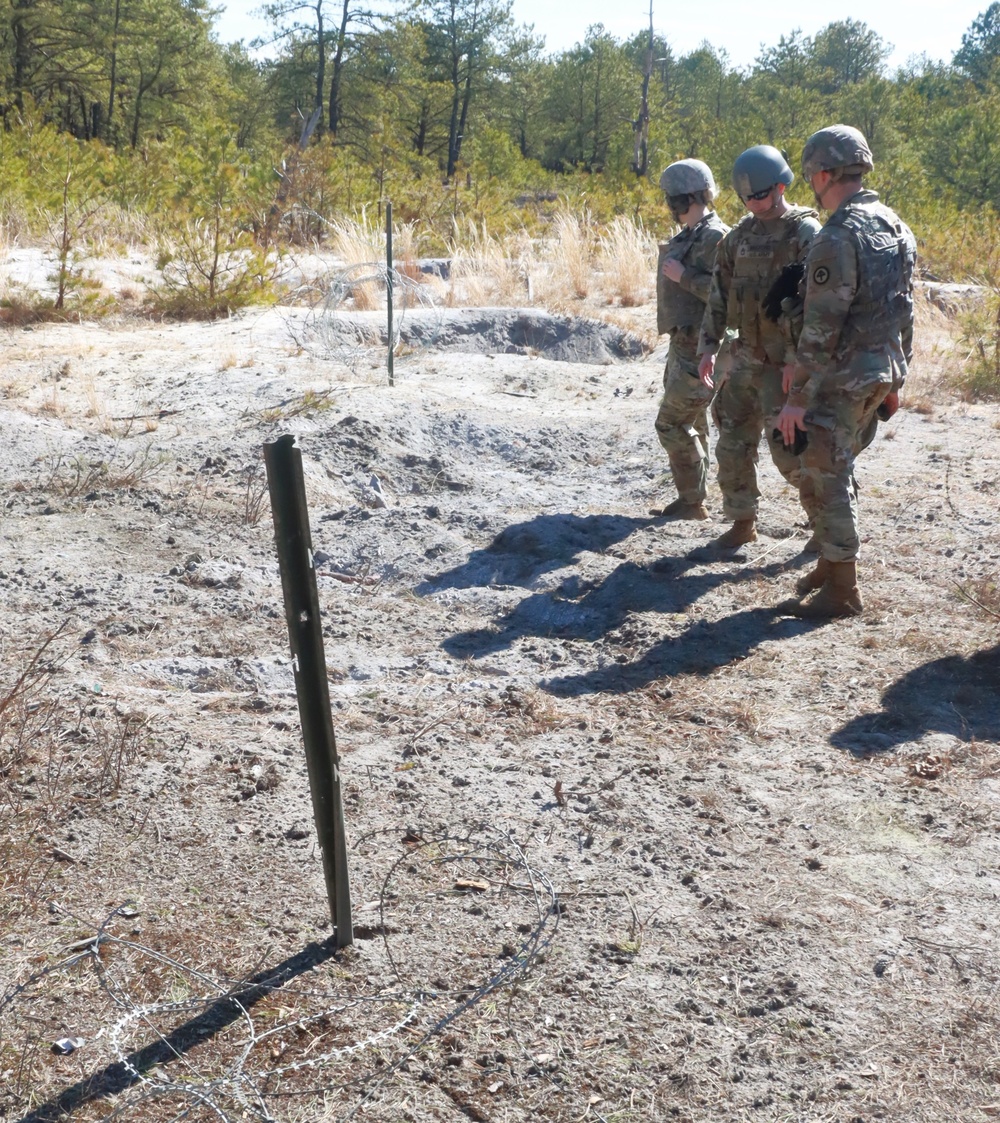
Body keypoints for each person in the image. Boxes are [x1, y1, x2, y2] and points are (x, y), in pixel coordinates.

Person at [776, 124, 916, 617]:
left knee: (826, 469)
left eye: (812, 175)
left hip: (843, 375)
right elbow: (905, 311)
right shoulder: (896, 225)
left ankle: (842, 589)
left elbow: (821, 327)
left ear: (824, 174)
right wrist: (898, 376)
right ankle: (830, 564)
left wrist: (796, 399)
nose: (812, 183)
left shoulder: (837, 236)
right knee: (833, 465)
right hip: (881, 370)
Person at [697, 145, 822, 549]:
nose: (753, 203)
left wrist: (796, 362)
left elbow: (817, 308)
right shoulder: (737, 238)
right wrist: (708, 347)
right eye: (746, 197)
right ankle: (741, 521)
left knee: (792, 453)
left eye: (761, 194)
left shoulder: (806, 234)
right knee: (732, 443)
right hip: (745, 358)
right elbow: (718, 295)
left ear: (782, 186)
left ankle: (827, 524)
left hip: (784, 365)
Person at [650, 159, 729, 519]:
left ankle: (692, 501)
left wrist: (684, 277)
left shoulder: (715, 237)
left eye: (672, 198)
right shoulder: (694, 233)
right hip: (685, 345)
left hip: (703, 347)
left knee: (670, 423)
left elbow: (725, 294)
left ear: (685, 198)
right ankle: (693, 499)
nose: (669, 204)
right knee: (693, 421)